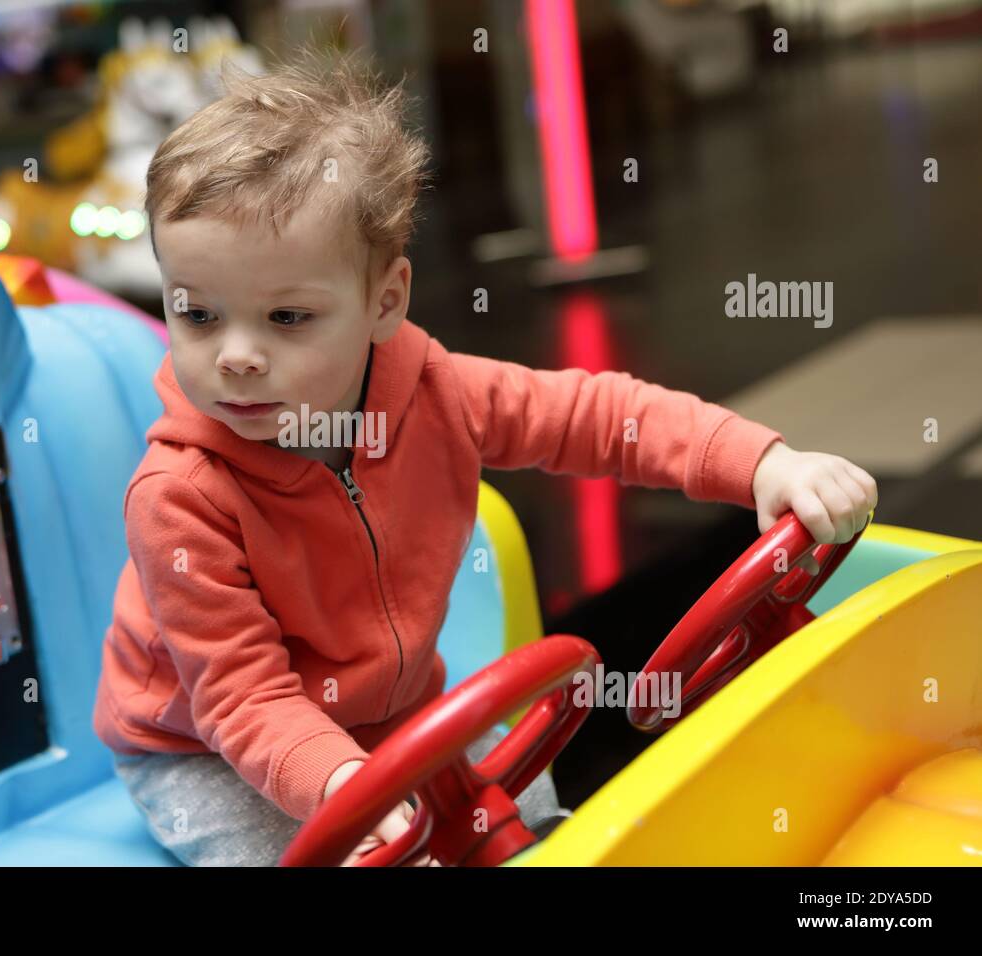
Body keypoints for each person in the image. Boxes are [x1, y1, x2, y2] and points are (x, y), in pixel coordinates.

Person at [93, 48, 877, 867]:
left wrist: (763, 464)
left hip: (392, 713)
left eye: (287, 318)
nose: (237, 357)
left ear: (384, 302)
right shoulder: (181, 496)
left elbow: (603, 418)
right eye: (199, 315)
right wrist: (341, 784)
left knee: (528, 811)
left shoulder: (437, 392)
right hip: (209, 752)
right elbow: (243, 700)